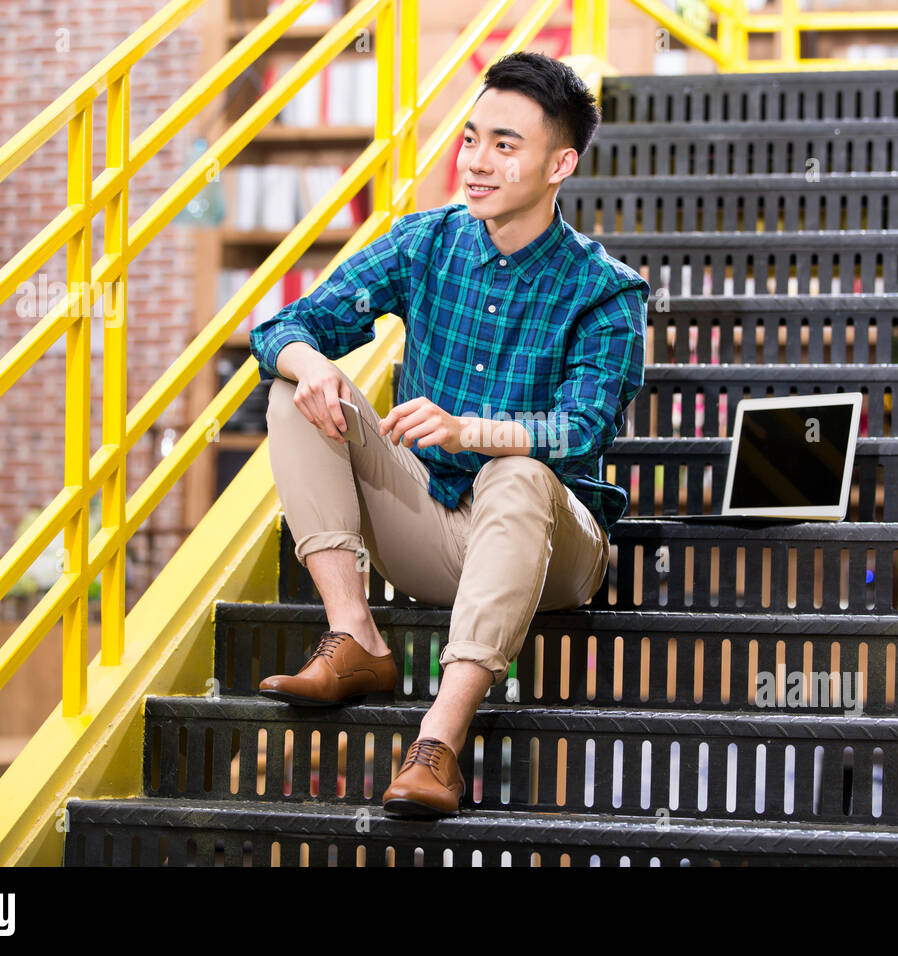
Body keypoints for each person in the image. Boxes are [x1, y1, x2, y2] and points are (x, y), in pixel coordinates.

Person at [248, 50, 649, 819]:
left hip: (552, 551)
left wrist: (472, 431)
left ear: (560, 163)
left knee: (521, 470)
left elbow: (582, 426)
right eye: (470, 139)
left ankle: (437, 744)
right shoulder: (425, 241)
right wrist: (313, 365)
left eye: (505, 145)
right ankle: (354, 635)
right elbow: (285, 325)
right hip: (433, 524)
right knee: (295, 388)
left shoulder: (606, 291)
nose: (476, 161)